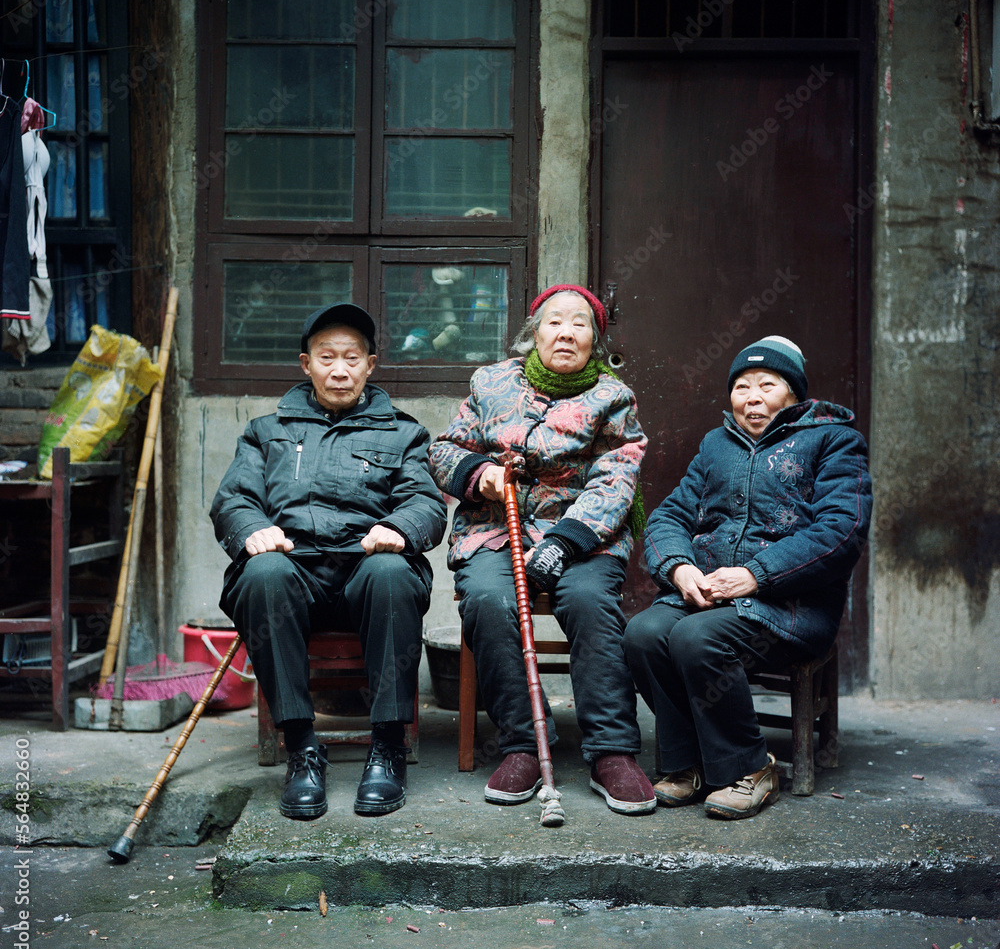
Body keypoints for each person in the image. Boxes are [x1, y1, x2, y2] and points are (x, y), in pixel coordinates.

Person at [210, 303, 447, 820]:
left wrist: (399, 528)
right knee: (263, 573)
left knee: (391, 573)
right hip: (295, 574)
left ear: (370, 364)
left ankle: (386, 748)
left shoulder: (404, 434)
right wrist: (253, 530)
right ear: (306, 364)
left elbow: (426, 503)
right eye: (327, 357)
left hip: (366, 571)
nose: (340, 369)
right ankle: (302, 748)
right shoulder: (265, 432)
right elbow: (233, 499)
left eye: (352, 358)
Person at [623, 336, 873, 819]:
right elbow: (669, 515)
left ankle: (751, 767)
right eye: (741, 386)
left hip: (791, 606)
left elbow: (842, 531)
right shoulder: (717, 446)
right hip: (713, 595)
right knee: (643, 633)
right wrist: (680, 568)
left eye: (767, 384)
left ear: (794, 394)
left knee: (698, 638)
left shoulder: (835, 441)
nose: (752, 396)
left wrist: (756, 575)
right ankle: (686, 763)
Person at [429, 284, 655, 815]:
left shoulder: (611, 396)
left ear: (595, 340)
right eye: (555, 322)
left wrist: (564, 542)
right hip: (495, 529)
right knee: (488, 599)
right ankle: (523, 744)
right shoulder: (491, 382)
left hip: (581, 537)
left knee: (588, 602)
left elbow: (616, 479)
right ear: (534, 333)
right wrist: (477, 474)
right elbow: (444, 450)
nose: (566, 332)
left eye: (580, 324)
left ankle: (612, 751)